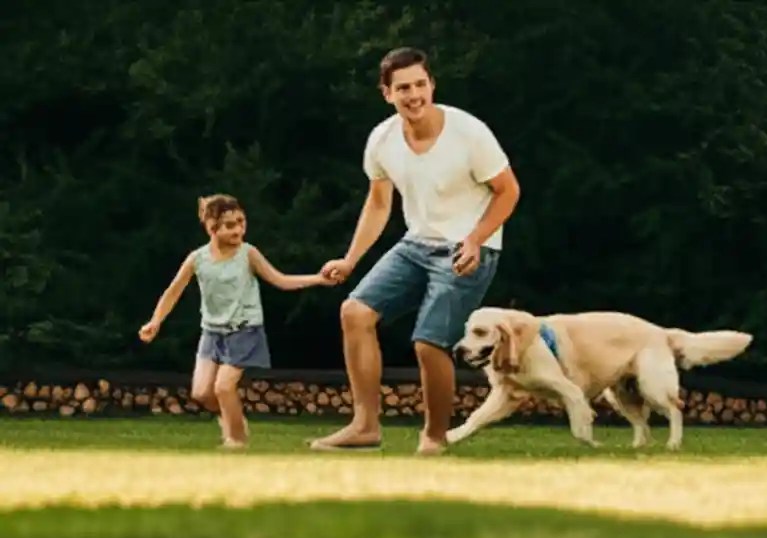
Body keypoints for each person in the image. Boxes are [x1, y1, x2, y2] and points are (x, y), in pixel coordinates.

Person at [310, 47, 521, 455]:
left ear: (432, 85)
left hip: (469, 247)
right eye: (403, 88)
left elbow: (508, 191)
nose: (414, 95)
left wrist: (476, 239)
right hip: (416, 245)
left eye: (420, 84)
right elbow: (378, 203)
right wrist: (350, 259)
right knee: (354, 313)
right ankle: (365, 426)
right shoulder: (382, 139)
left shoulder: (469, 132)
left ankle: (434, 437)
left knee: (428, 341)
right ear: (387, 93)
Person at [139, 194, 334, 448]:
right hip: (212, 333)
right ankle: (234, 421)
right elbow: (173, 291)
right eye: (230, 225)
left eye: (241, 222)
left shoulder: (248, 254)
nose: (238, 229)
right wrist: (155, 321)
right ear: (212, 228)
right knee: (201, 392)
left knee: (223, 387)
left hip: (244, 330)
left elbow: (280, 280)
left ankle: (236, 441)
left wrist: (318, 279)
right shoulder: (197, 259)